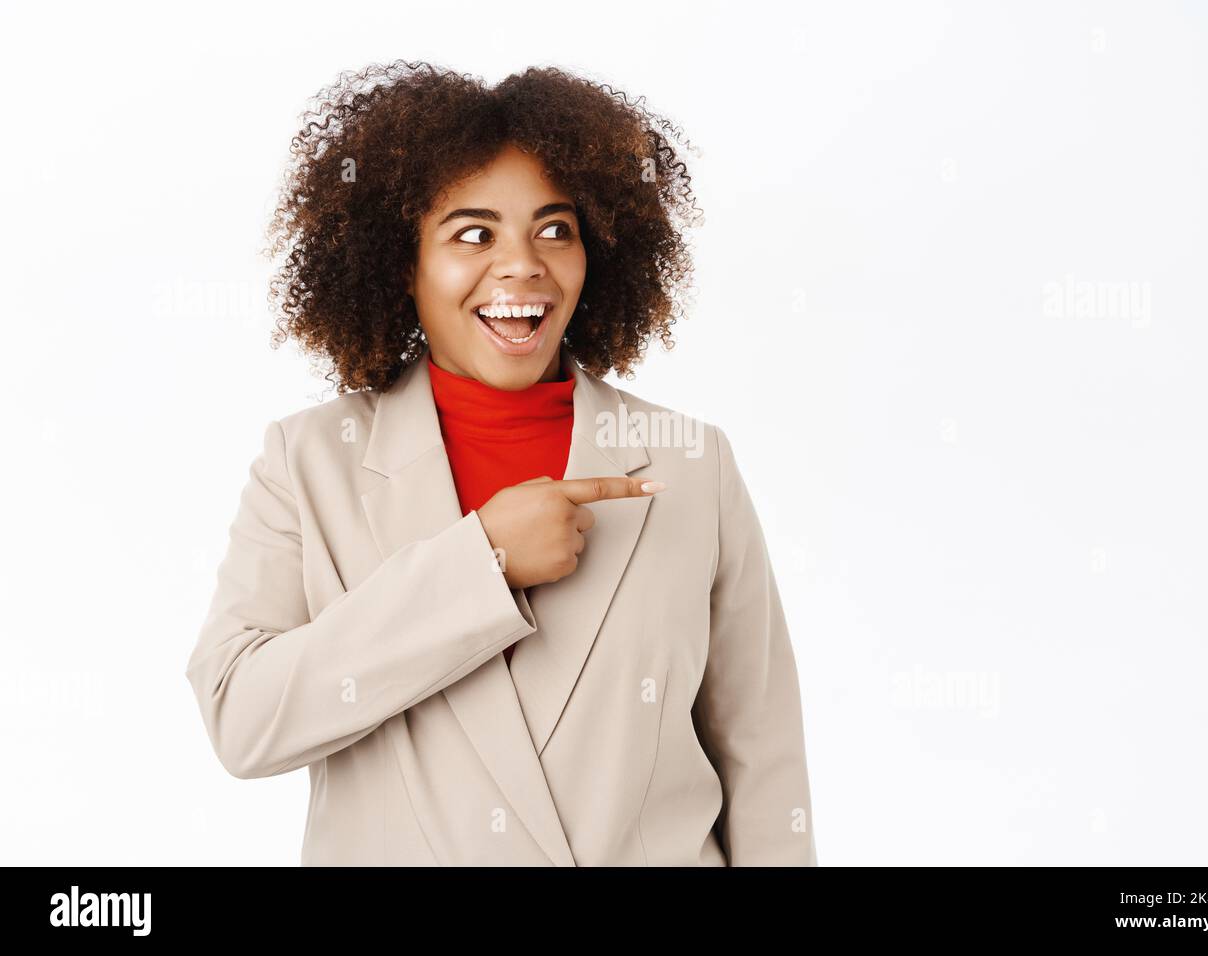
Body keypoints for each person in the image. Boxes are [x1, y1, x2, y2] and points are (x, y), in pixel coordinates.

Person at [185, 62, 816, 866]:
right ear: (399, 263)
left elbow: (764, 758)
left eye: (556, 229)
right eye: (473, 235)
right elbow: (243, 720)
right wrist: (478, 565)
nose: (523, 266)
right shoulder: (308, 463)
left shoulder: (694, 466)